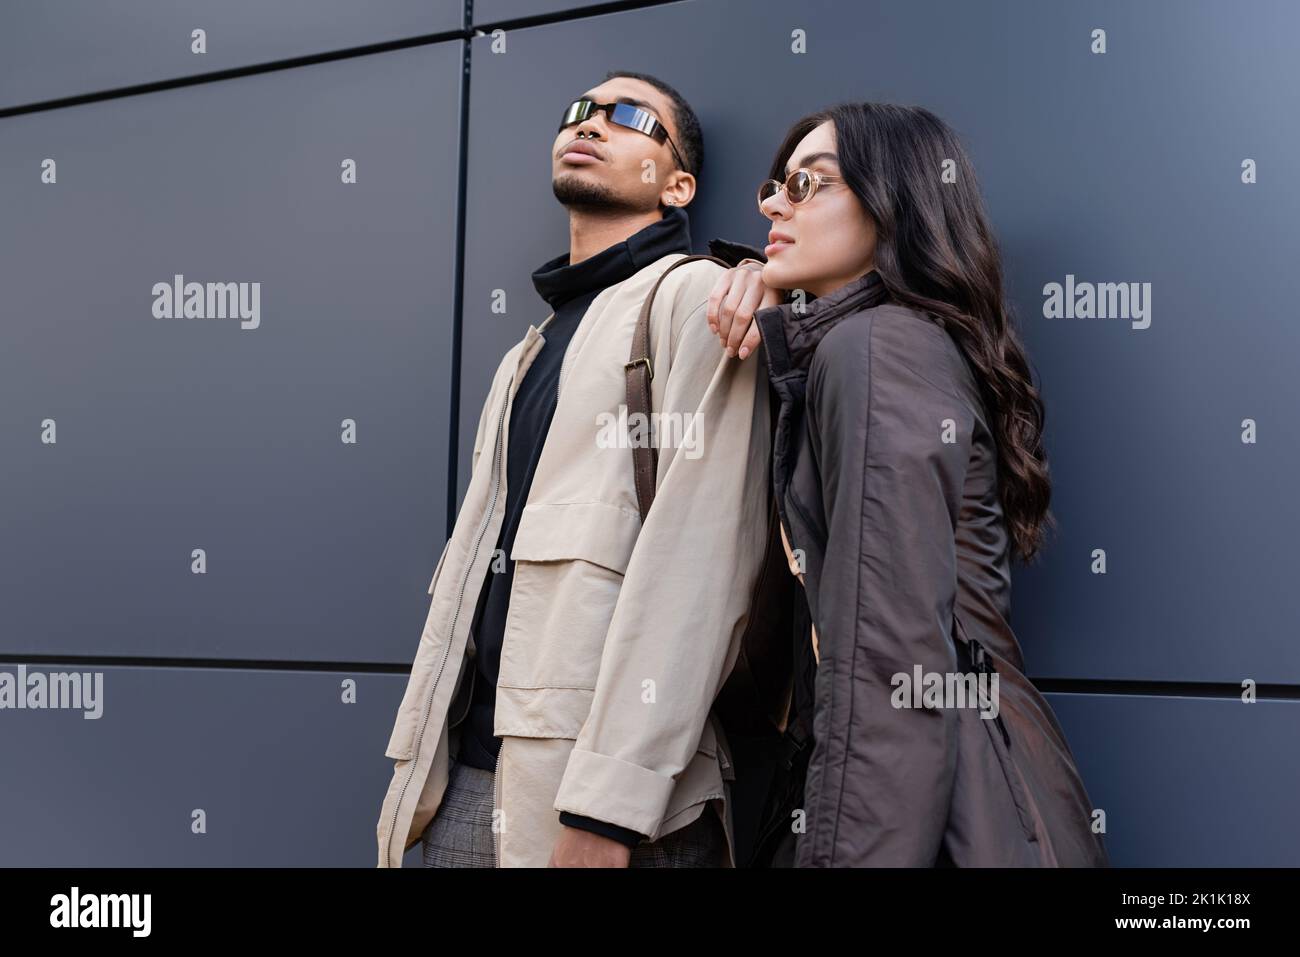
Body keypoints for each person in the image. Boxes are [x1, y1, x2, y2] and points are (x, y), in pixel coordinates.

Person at [376, 71, 773, 868]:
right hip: (469, 786)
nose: (592, 124)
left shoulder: (696, 301)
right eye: (580, 112)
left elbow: (701, 566)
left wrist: (609, 809)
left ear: (678, 184)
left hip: (600, 811)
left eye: (630, 118)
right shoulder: (530, 349)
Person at [705, 102, 1111, 866]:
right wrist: (767, 286)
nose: (770, 203)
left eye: (806, 184)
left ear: (895, 206)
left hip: (944, 813)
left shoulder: (875, 348)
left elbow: (892, 669)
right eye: (774, 185)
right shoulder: (876, 344)